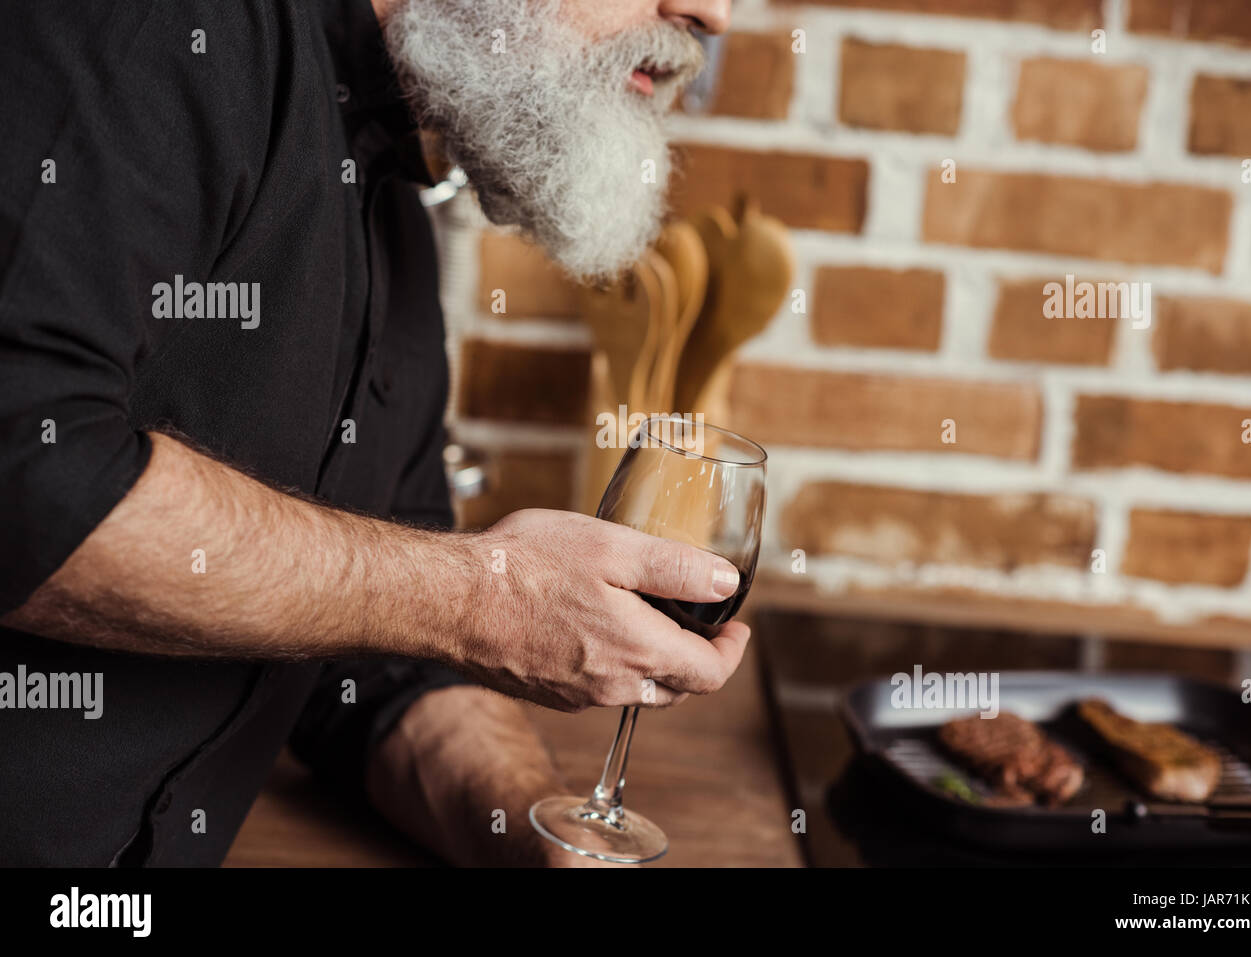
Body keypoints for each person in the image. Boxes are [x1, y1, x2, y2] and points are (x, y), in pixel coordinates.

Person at [0, 0, 742, 867]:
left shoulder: (394, 219)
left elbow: (379, 667)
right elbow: (28, 466)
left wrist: (528, 830)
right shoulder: (161, 26)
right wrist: (478, 598)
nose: (711, 14)